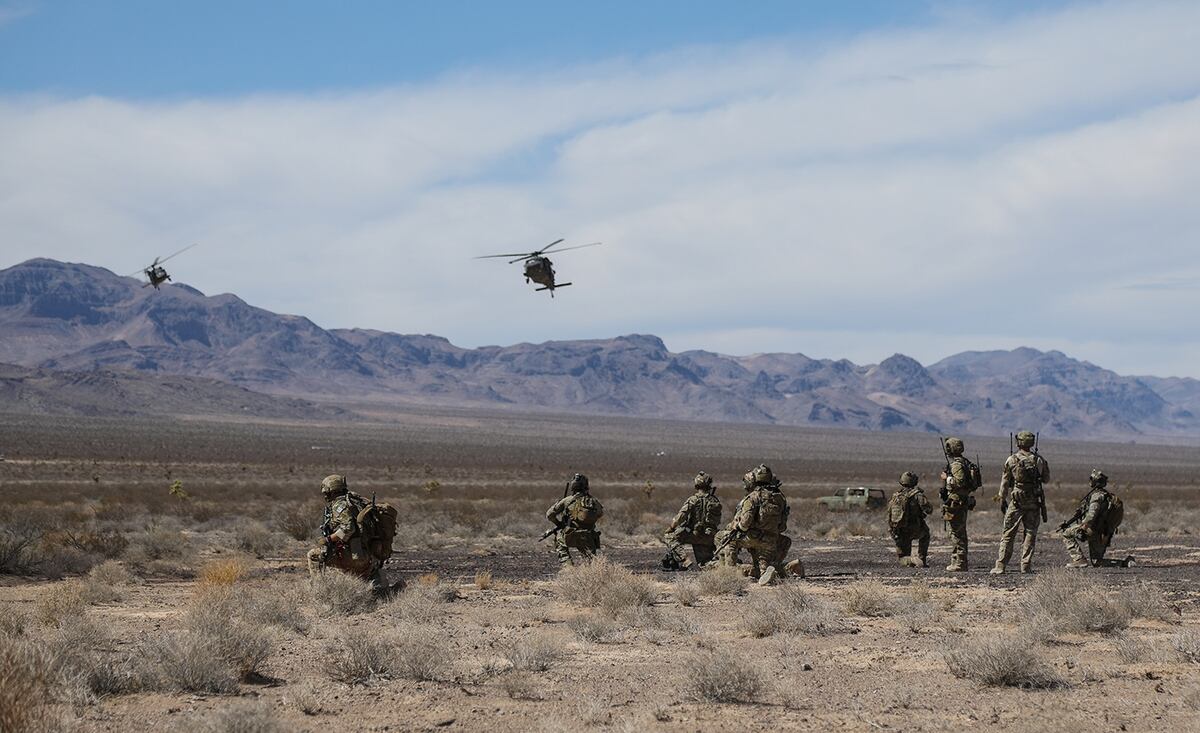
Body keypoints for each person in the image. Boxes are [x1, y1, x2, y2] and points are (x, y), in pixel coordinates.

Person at [307, 474, 397, 594]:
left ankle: (319, 591)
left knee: (313, 555)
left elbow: (348, 528)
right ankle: (390, 588)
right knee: (372, 591)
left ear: (331, 491)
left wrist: (328, 539)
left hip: (355, 557)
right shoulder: (356, 503)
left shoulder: (340, 505)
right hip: (369, 557)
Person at [992, 431, 1050, 574]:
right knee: (1030, 533)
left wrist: (1002, 498)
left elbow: (1005, 482)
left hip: (1017, 501)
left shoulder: (1011, 460)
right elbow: (1046, 479)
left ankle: (1000, 565)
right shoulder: (1039, 460)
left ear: (1019, 442)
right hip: (1034, 501)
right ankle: (1026, 565)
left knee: (1008, 534)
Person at [727, 464, 792, 584]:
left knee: (730, 540)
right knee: (763, 566)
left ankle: (729, 573)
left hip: (753, 538)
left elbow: (745, 524)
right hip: (771, 542)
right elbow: (782, 527)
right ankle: (765, 573)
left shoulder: (753, 497)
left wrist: (736, 526)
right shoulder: (780, 498)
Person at [1059, 469, 1133, 568]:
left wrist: (1083, 528)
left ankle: (1079, 559)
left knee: (1066, 533)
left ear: (1095, 481)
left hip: (1092, 529)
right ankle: (1124, 563)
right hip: (1104, 533)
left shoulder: (1097, 496)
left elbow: (1091, 515)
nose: (1090, 481)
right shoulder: (1107, 496)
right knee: (1097, 562)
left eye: (1091, 479)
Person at [661, 472, 722, 570]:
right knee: (704, 564)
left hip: (693, 534)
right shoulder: (715, 501)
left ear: (696, 484)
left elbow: (681, 516)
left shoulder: (693, 500)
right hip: (709, 537)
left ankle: (685, 560)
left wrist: (671, 528)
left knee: (669, 536)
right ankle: (724, 567)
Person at [940, 437, 981, 571]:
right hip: (961, 500)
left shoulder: (957, 465)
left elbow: (959, 481)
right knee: (957, 532)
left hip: (956, 502)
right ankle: (956, 560)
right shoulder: (965, 462)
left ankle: (960, 563)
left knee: (957, 533)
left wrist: (947, 478)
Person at [545, 473, 604, 565]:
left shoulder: (567, 500)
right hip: (588, 536)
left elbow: (549, 515)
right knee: (590, 559)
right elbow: (600, 514)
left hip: (570, 535)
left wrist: (558, 524)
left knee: (559, 541)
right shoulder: (593, 501)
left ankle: (568, 567)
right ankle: (592, 571)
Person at [710, 471, 755, 567]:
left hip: (749, 534)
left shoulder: (750, 499)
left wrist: (731, 527)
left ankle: (728, 569)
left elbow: (742, 522)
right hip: (766, 536)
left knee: (720, 536)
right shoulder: (774, 497)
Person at [888, 472, 932, 567]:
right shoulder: (918, 495)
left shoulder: (896, 496)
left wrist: (892, 530)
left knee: (902, 558)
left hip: (900, 530)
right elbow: (929, 509)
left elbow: (889, 514)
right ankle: (921, 559)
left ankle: (910, 560)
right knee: (926, 535)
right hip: (915, 528)